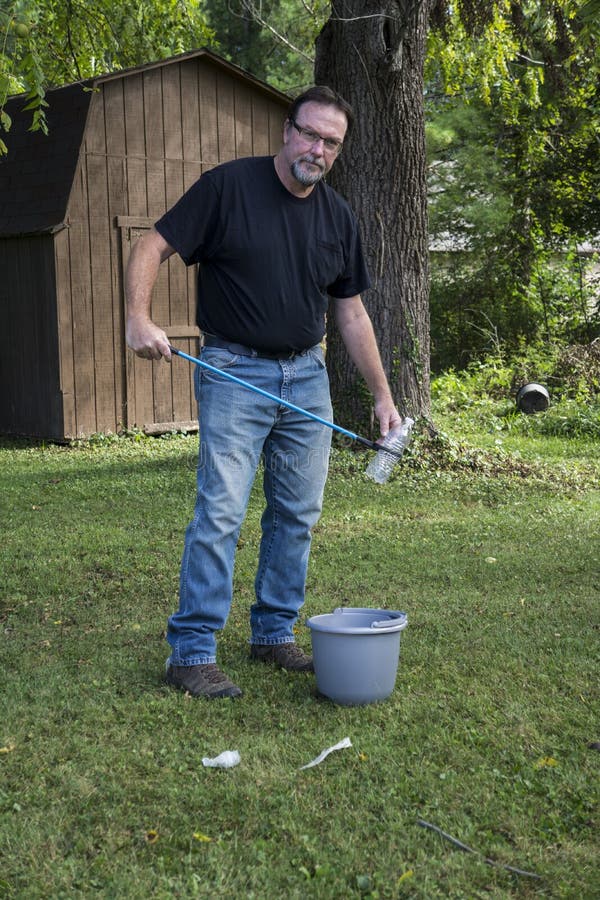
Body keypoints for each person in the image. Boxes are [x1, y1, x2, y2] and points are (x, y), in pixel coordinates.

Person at [125, 85, 402, 699]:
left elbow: (351, 312)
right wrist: (138, 318)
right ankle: (191, 651)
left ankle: (273, 634)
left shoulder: (338, 216)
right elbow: (151, 244)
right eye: (310, 133)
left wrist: (382, 395)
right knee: (221, 511)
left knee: (297, 515)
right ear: (287, 129)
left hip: (307, 378)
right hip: (235, 372)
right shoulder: (229, 188)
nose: (318, 149)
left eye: (332, 142)